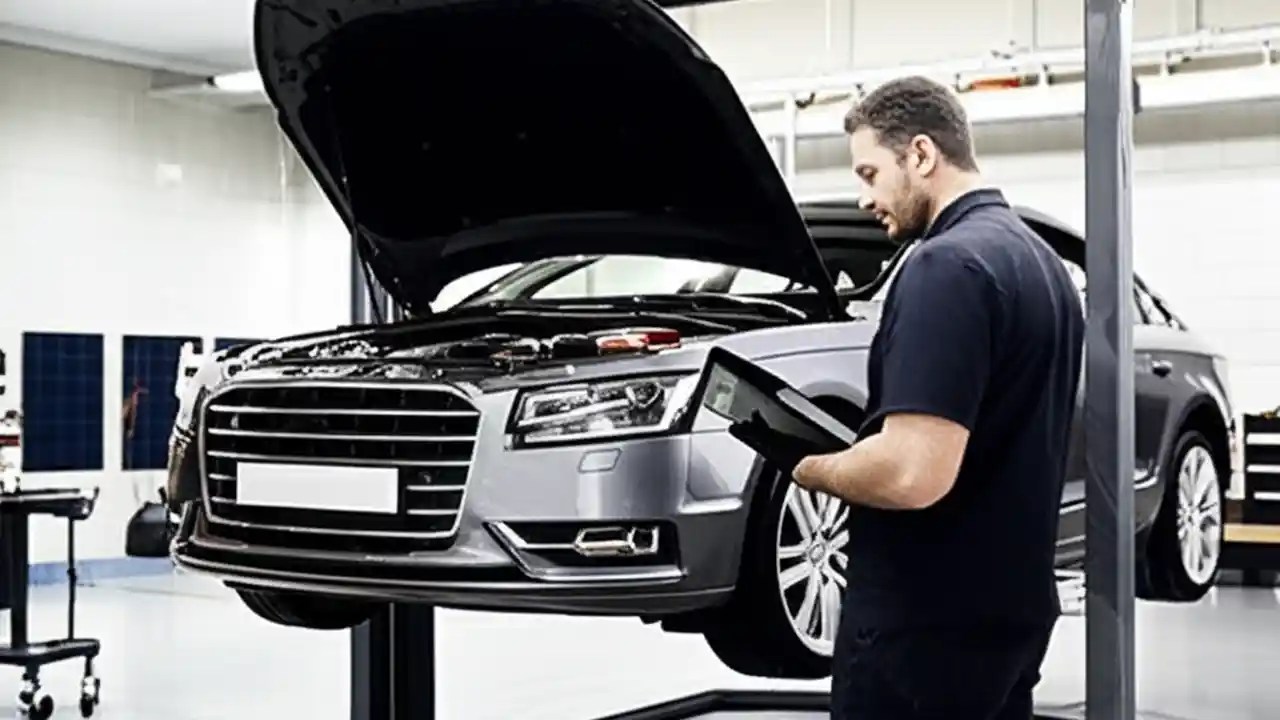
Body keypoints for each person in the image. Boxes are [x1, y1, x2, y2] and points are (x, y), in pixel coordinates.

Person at [790, 76, 1086, 719]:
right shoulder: (1043, 267)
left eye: (871, 173)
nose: (864, 197)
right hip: (1009, 615)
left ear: (921, 155)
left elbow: (910, 474)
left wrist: (811, 466)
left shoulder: (944, 267)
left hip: (924, 633)